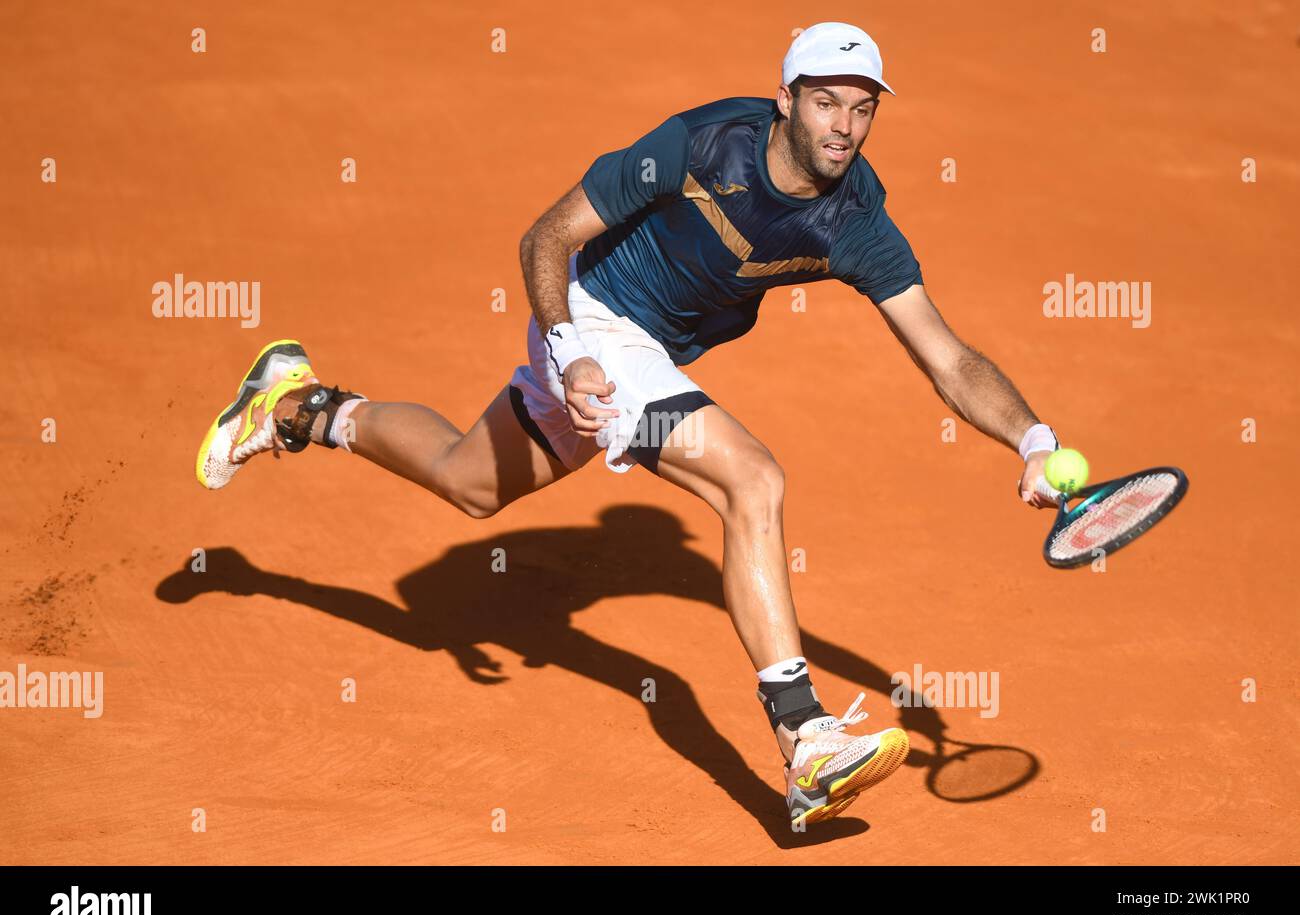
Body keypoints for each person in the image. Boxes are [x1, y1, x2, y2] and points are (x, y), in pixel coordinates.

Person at [195, 22, 1061, 827]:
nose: (843, 125)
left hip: (648, 358)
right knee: (750, 477)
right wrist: (568, 350)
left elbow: (948, 357)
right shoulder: (698, 143)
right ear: (787, 100)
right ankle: (805, 739)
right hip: (591, 325)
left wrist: (1032, 440)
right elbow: (546, 236)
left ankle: (298, 404)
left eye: (862, 107)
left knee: (469, 481)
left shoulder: (857, 221)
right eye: (826, 101)